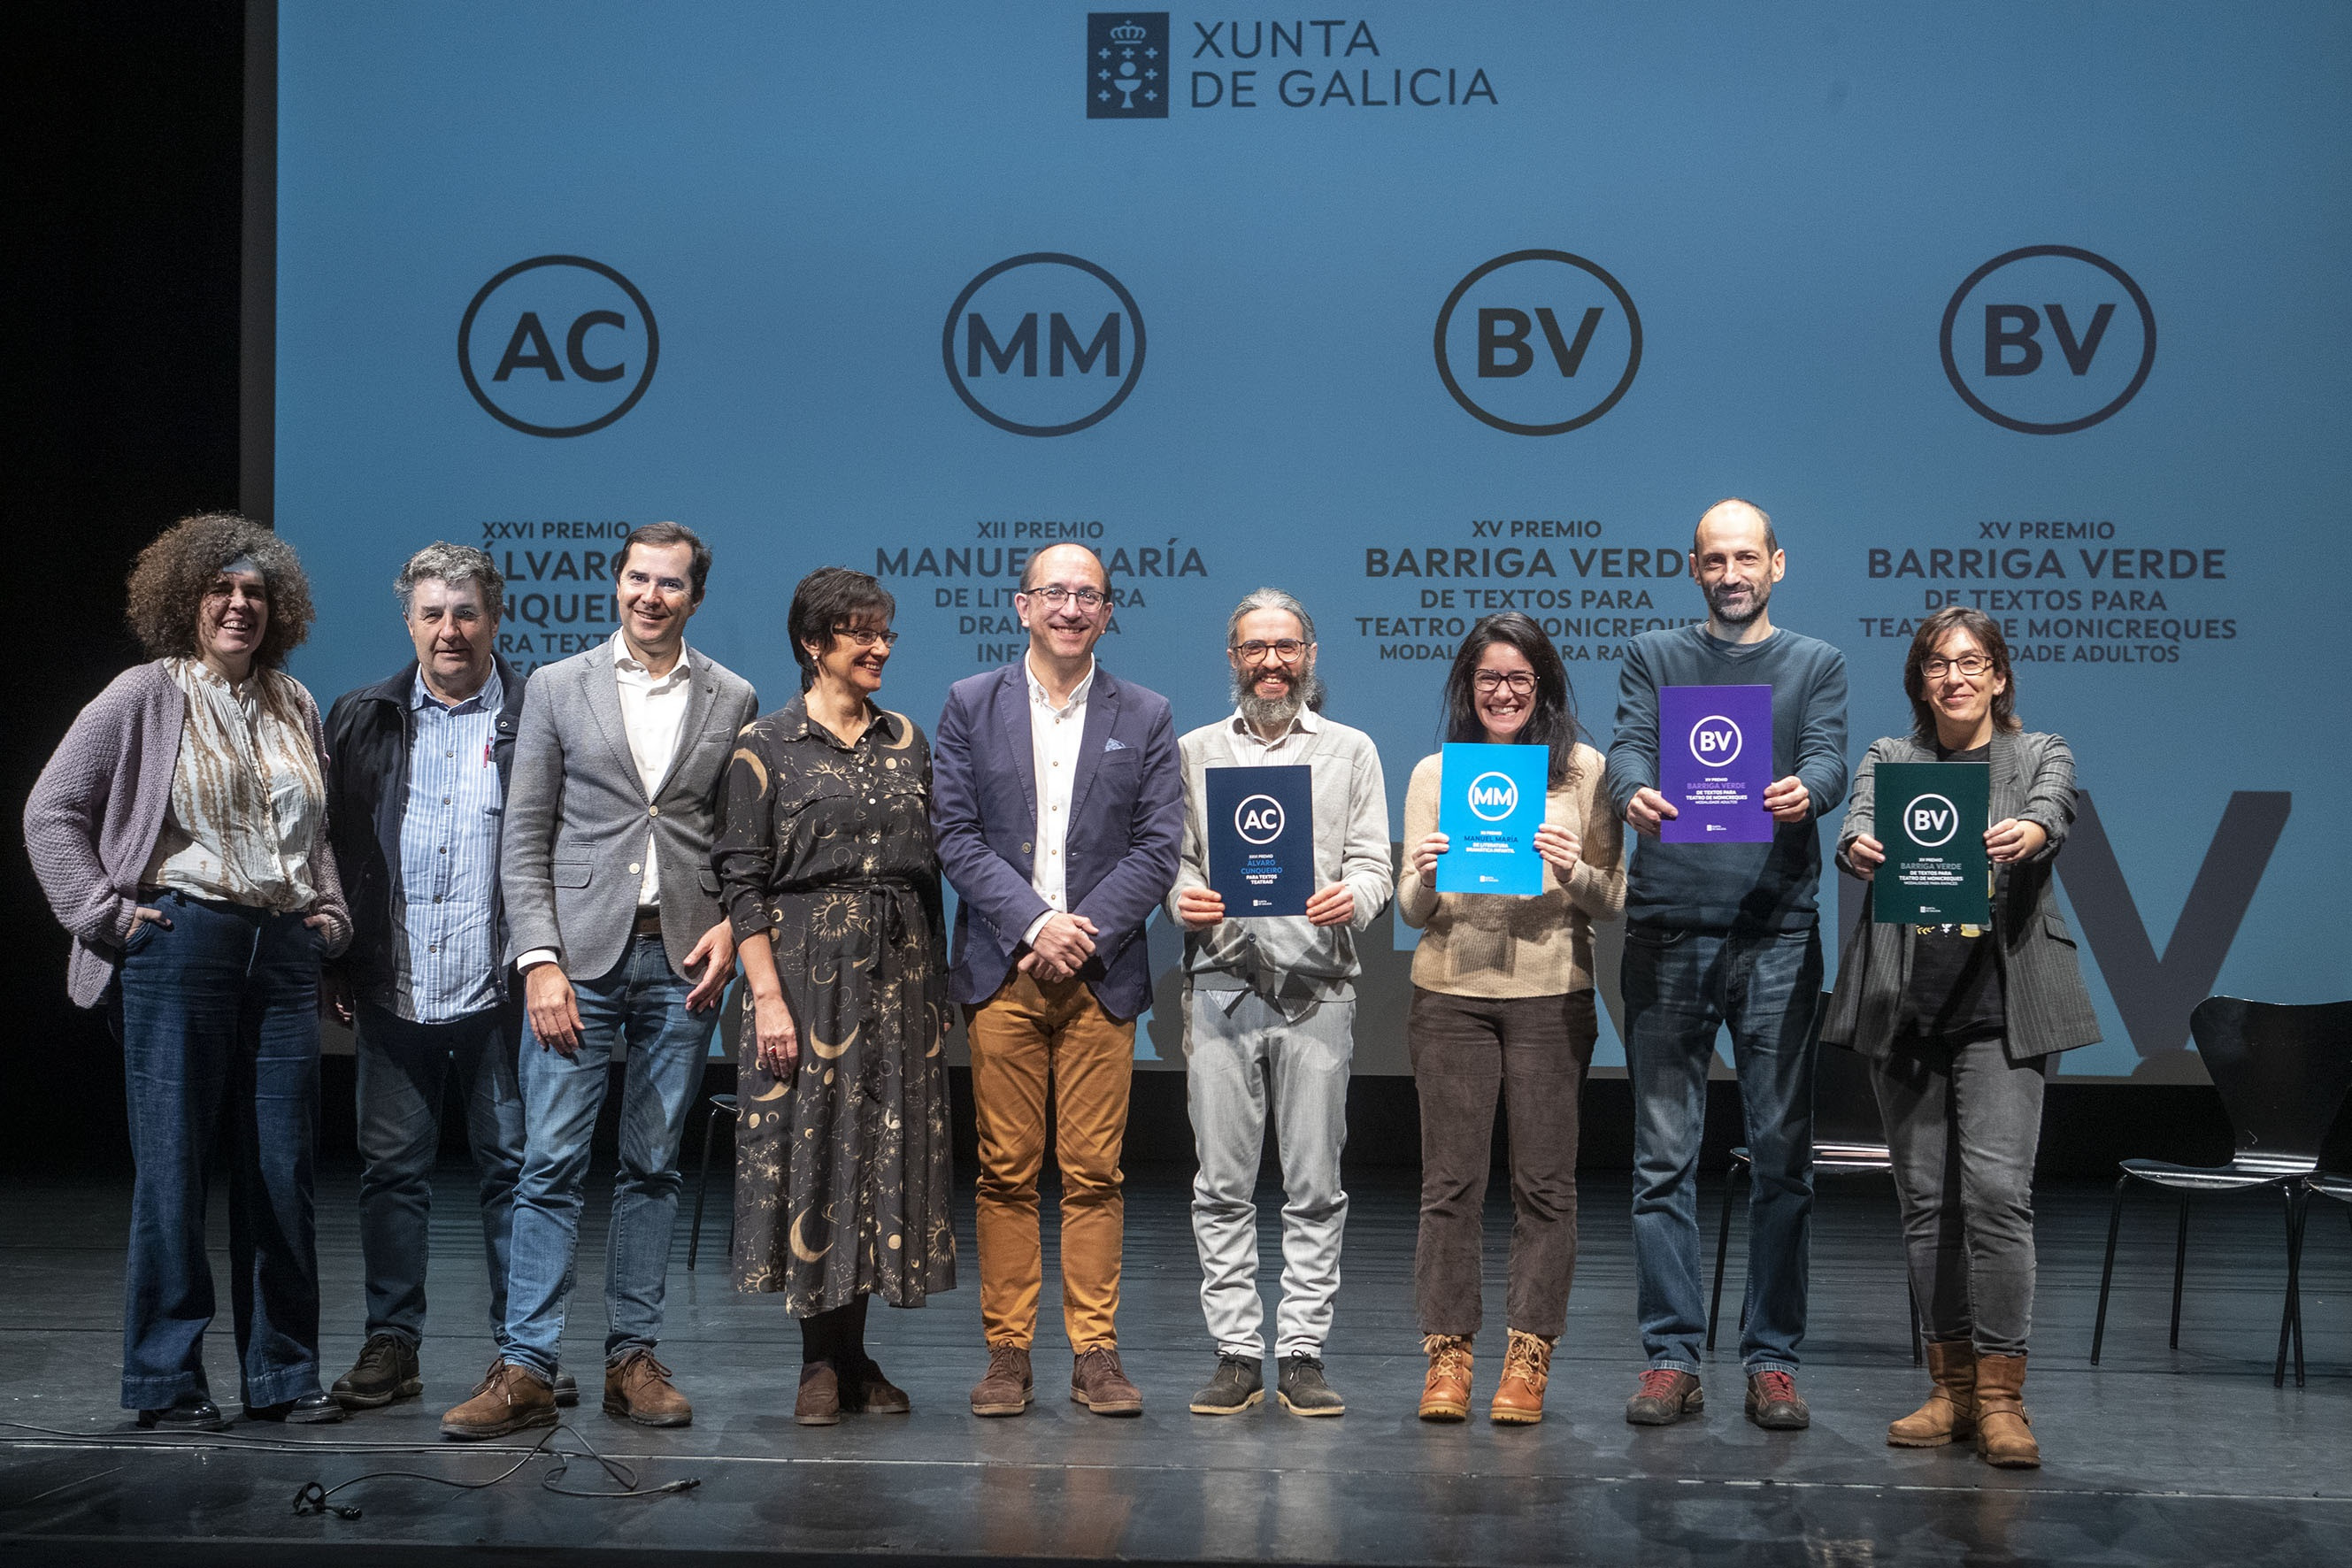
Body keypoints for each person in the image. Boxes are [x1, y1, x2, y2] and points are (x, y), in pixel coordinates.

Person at [25, 512, 351, 1429]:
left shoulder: (297, 701)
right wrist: (101, 913)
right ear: (186, 600)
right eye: (222, 589)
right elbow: (52, 811)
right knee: (174, 1169)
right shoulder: (142, 694)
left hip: (283, 949)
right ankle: (166, 1379)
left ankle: (284, 1374)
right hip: (181, 942)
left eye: (255, 591)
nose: (240, 604)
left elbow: (313, 828)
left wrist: (330, 909)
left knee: (281, 1170)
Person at [439, 521, 757, 1440]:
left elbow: (741, 839)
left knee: (653, 1162)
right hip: (577, 959)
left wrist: (734, 929)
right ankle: (527, 1363)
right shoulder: (555, 685)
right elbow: (524, 833)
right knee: (549, 1164)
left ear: (695, 596)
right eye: (636, 579)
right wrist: (538, 960)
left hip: (685, 956)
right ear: (616, 584)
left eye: (669, 584)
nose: (649, 596)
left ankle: (632, 1357)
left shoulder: (731, 693)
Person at [1822, 605, 2095, 1469]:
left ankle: (2004, 1395)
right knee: (1927, 1206)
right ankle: (1951, 1390)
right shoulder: (1890, 758)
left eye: (1972, 662)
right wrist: (1860, 842)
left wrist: (2037, 830)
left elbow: (2056, 808)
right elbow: (1856, 823)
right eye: (1939, 663)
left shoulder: (2037, 751)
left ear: (1999, 675)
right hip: (1905, 1005)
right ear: (1921, 679)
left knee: (1996, 1196)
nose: (1955, 676)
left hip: (2003, 1006)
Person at [1604, 497, 1848, 1431]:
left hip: (1776, 933)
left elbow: (1826, 755)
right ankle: (1671, 1355)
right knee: (1661, 1160)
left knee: (1784, 1159)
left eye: (1748, 556)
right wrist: (1630, 789)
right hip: (1666, 929)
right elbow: (1629, 742)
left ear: (1777, 564)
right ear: (1694, 566)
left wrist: (1808, 790)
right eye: (1716, 558)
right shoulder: (1653, 655)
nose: (1732, 571)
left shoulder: (1814, 662)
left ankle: (1772, 1359)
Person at [932, 542, 1182, 1418]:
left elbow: (1159, 846)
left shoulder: (1146, 713)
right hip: (1003, 969)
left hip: (1100, 975)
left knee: (1095, 1172)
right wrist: (1038, 922)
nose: (1071, 607)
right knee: (1004, 1171)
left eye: (1089, 595)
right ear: (1021, 605)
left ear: (1108, 612)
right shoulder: (969, 703)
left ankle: (1095, 1351)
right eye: (1055, 592)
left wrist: (1084, 932)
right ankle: (1008, 1352)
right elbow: (954, 833)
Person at [321, 544, 567, 1411]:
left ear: (496, 619)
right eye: (432, 613)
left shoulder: (540, 708)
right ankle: (393, 1344)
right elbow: (337, 846)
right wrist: (340, 953)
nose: (450, 629)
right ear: (410, 621)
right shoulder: (361, 715)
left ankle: (524, 1353)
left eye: (465, 612)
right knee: (392, 1172)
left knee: (515, 1170)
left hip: (505, 985)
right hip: (397, 978)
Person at [714, 567, 956, 1426]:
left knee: (876, 1165)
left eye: (885, 631)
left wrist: (942, 985)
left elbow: (928, 871)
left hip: (900, 982)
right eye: (861, 631)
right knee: (814, 1157)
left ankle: (853, 1354)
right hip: (804, 977)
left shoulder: (907, 740)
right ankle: (820, 1359)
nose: (880, 646)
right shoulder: (765, 744)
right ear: (814, 643)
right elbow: (741, 881)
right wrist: (767, 997)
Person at [1168, 588, 1392, 1419]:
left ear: (1310, 655)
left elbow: (1374, 862)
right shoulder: (1192, 751)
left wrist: (1355, 897)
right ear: (1232, 657)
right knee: (1221, 1184)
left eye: (1286, 647)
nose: (1272, 662)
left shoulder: (1351, 751)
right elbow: (1176, 860)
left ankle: (1299, 1350)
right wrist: (1179, 897)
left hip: (1316, 992)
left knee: (1314, 1185)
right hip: (1221, 988)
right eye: (1255, 648)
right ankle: (1235, 1350)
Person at [1397, 613, 1624, 1425]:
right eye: (1489, 679)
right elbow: (1411, 909)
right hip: (1451, 993)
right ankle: (1448, 1361)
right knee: (1449, 1186)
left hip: (1549, 992)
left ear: (1545, 688)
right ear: (1468, 688)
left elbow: (1616, 894)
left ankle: (1527, 1360)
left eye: (1519, 680)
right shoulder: (1435, 772)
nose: (1504, 693)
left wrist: (1573, 870)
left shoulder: (1586, 773)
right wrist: (1423, 876)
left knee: (1545, 1188)